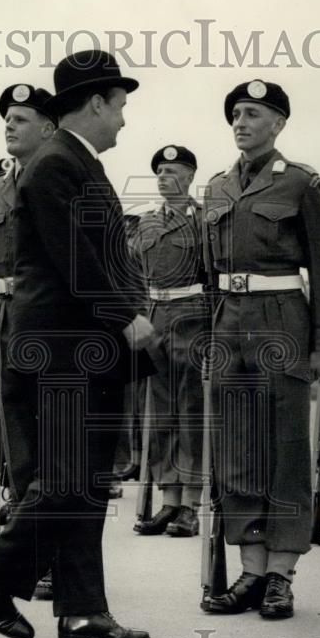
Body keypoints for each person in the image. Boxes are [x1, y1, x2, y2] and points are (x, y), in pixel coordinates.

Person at [0, 50, 155, 638]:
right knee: (68, 479)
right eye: (119, 105)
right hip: (61, 352)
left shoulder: (73, 162)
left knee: (85, 483)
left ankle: (82, 610)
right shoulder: (56, 164)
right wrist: (125, 316)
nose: (123, 118)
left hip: (81, 349)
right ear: (95, 103)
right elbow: (78, 256)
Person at [203, 79, 320, 619]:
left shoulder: (301, 183)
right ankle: (252, 570)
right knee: (239, 449)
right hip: (229, 325)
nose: (240, 122)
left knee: (286, 450)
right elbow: (208, 274)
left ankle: (282, 573)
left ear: (278, 123)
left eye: (253, 114)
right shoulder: (216, 188)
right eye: (236, 113)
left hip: (283, 321)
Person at [0, 85, 57, 535]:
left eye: (21, 119)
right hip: (5, 314)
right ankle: (23, 512)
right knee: (12, 422)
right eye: (7, 119)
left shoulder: (63, 181)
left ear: (48, 129)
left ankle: (48, 525)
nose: (9, 125)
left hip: (49, 316)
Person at [132, 145, 209, 538]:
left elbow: (214, 274)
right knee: (160, 411)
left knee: (191, 409)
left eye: (172, 171)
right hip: (155, 317)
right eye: (160, 171)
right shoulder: (146, 223)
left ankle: (192, 504)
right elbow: (132, 272)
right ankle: (169, 498)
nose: (164, 177)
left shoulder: (205, 220)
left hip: (193, 317)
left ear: (190, 177)